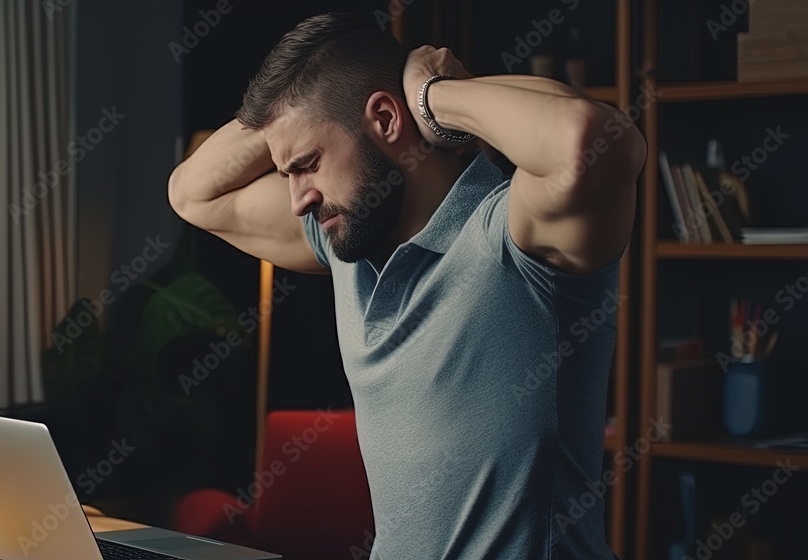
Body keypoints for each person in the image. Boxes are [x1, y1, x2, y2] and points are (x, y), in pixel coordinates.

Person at [168, 13, 645, 560]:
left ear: (387, 119)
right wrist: (291, 114)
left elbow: (592, 139)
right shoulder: (345, 243)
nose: (298, 197)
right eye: (287, 174)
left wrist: (434, 95)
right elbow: (191, 193)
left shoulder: (515, 237)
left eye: (308, 164)